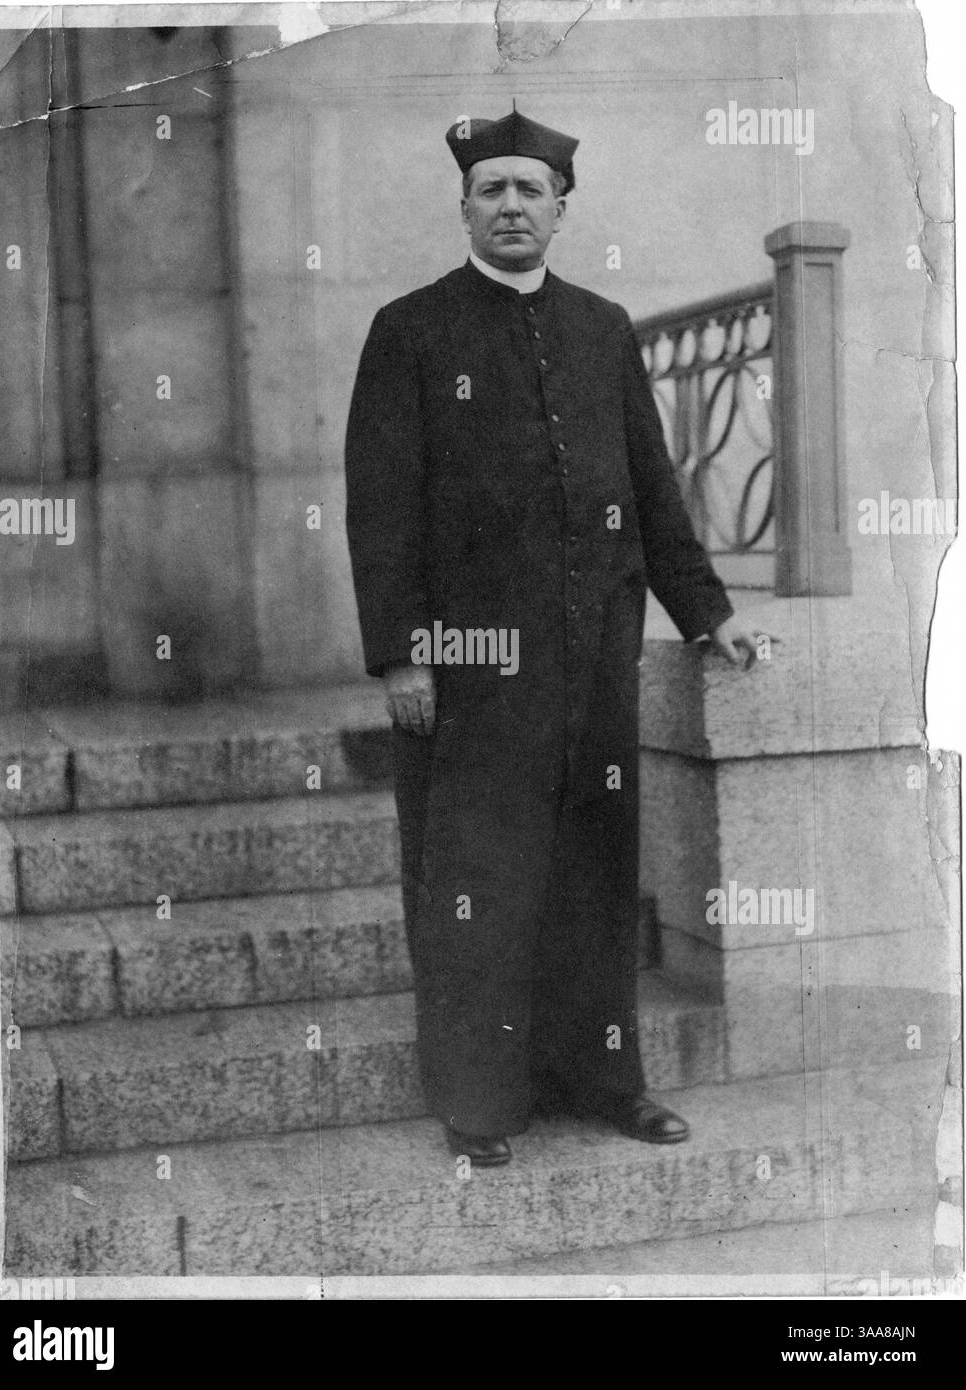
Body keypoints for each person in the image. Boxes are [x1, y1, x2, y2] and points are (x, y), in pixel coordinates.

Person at [344, 108, 760, 1167]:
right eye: (494, 191)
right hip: (473, 671)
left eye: (532, 191)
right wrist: (401, 652)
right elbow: (382, 504)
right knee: (479, 881)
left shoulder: (602, 328)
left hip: (592, 665)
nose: (513, 206)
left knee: (589, 875)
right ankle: (480, 1105)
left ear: (563, 211)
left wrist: (704, 613)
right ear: (467, 208)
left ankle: (603, 1081)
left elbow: (654, 489)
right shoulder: (411, 331)